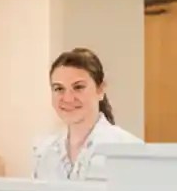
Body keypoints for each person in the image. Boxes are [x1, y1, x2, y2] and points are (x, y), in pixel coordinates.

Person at [33, 47, 142, 181]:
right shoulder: (43, 152)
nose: (68, 98)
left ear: (100, 90)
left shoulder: (129, 149)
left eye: (78, 87)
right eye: (59, 88)